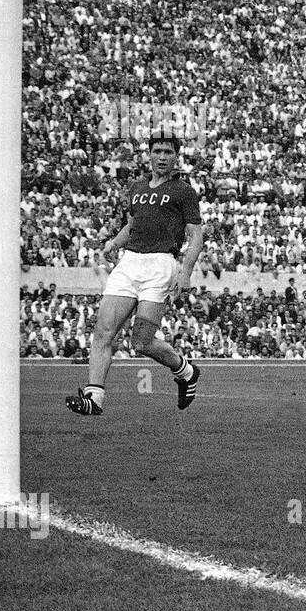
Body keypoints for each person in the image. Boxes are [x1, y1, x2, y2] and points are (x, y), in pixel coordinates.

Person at [66, 135, 205, 415]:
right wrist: (114, 243)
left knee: (141, 341)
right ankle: (94, 398)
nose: (162, 156)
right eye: (157, 151)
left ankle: (185, 370)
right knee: (103, 330)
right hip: (129, 262)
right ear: (149, 155)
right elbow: (132, 225)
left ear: (176, 157)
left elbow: (197, 234)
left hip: (160, 264)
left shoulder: (183, 191)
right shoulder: (137, 187)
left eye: (168, 152)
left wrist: (186, 272)